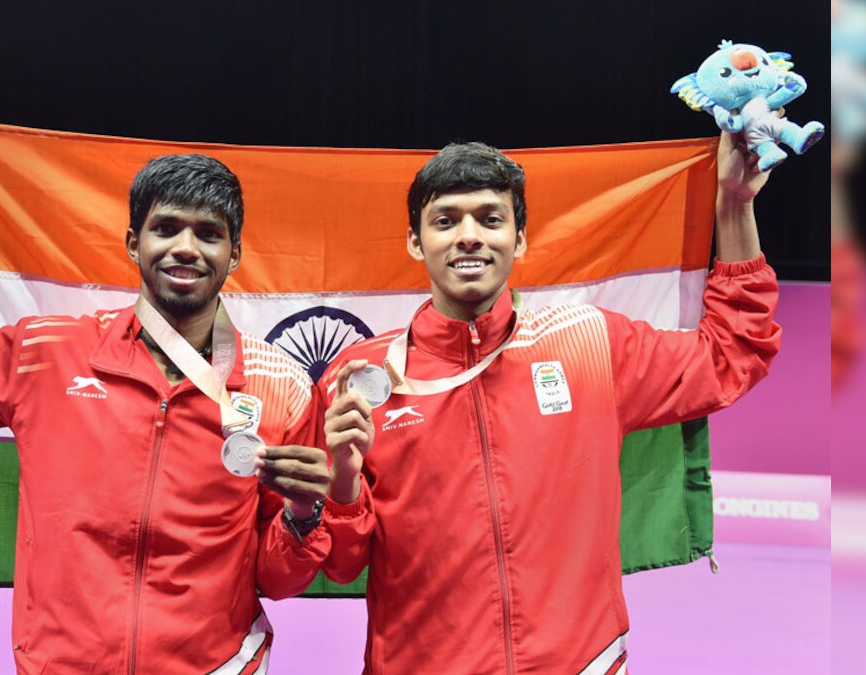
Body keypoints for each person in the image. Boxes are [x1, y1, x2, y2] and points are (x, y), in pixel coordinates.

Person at [0, 117, 351, 674]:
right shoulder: (45, 353)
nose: (186, 248)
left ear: (234, 255)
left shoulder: (279, 387)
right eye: (166, 228)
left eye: (208, 234)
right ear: (135, 243)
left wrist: (305, 516)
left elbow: (278, 579)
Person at [317, 133, 782, 673]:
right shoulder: (362, 379)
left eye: (491, 220)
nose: (469, 237)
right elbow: (342, 561)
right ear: (416, 243)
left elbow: (731, 352)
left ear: (520, 240)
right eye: (446, 221)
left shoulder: (589, 344)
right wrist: (342, 483)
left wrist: (734, 202)